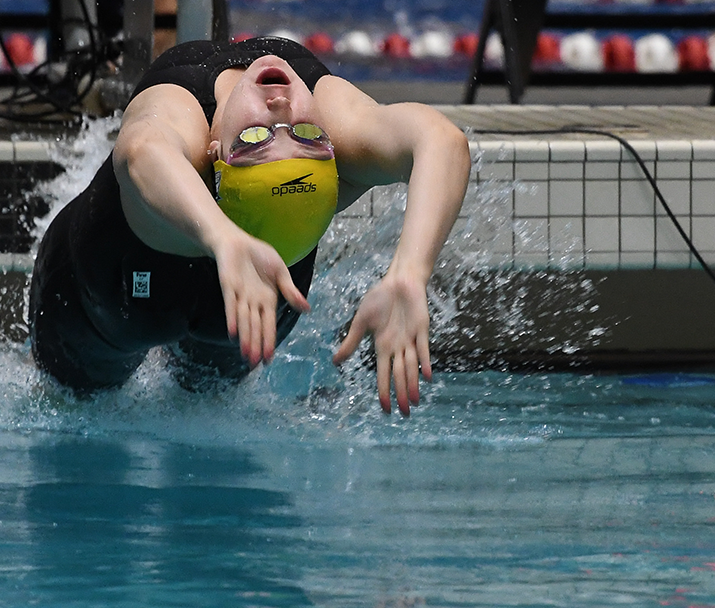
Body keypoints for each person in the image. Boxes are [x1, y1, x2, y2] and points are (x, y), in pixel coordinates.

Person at [28, 36, 471, 415]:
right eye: (304, 134)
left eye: (258, 139)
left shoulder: (194, 124)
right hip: (183, 293)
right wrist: (410, 274)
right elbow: (441, 139)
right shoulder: (328, 123)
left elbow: (142, 150)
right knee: (98, 410)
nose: (281, 107)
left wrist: (226, 242)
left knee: (154, 427)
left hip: (164, 298)